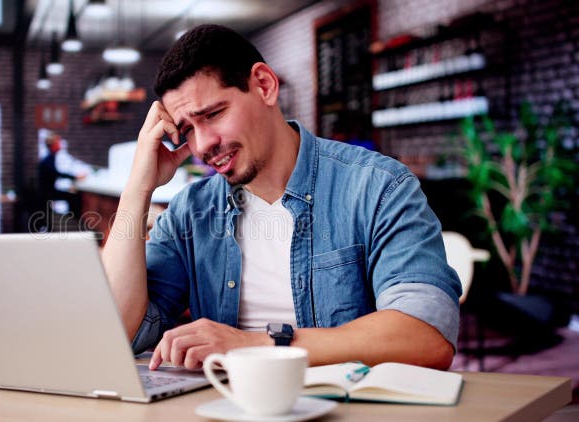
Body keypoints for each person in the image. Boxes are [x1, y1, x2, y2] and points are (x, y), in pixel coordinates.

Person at [101, 24, 461, 372]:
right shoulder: (191, 212)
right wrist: (138, 189)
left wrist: (257, 346)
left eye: (213, 114)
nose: (202, 144)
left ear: (264, 85)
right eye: (186, 130)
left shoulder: (378, 187)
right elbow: (117, 334)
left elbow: (425, 335)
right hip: (222, 405)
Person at [37, 133, 86, 222]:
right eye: (58, 142)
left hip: (49, 191)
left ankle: (73, 219)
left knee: (73, 196)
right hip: (47, 193)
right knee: (74, 197)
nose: (60, 144)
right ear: (53, 145)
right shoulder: (47, 160)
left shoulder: (51, 158)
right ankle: (75, 220)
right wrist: (75, 177)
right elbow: (56, 174)